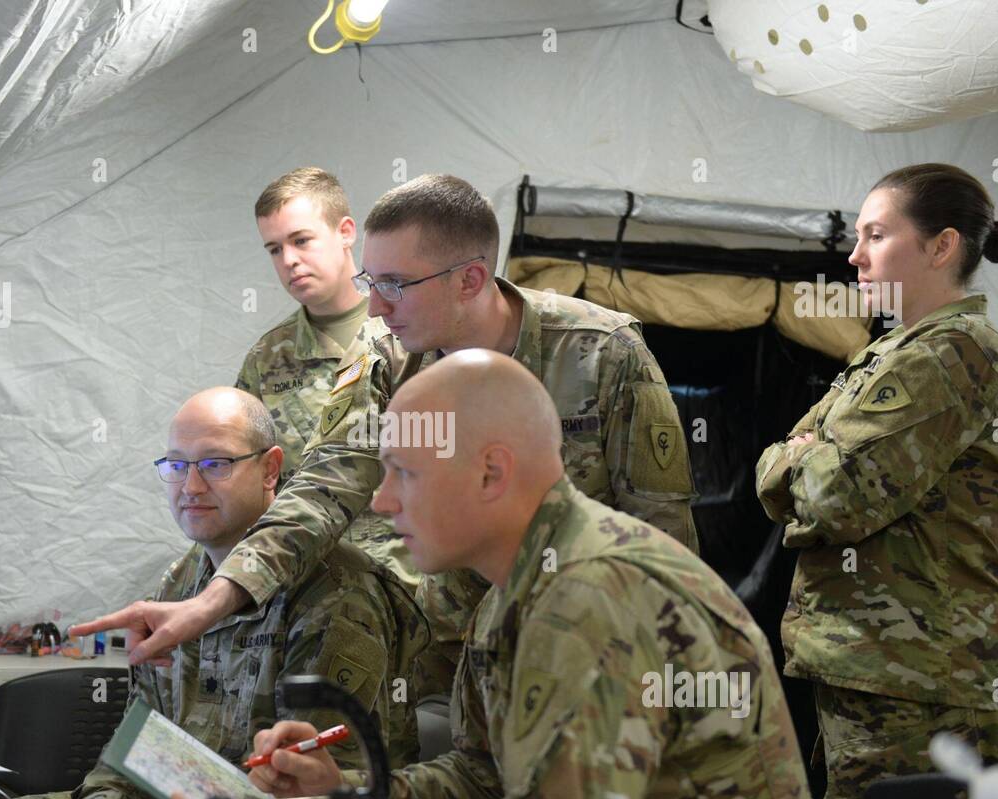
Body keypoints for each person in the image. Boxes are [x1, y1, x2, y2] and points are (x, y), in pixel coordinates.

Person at [75, 174, 698, 703]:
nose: (374, 308)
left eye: (395, 284)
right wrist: (215, 599)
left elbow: (662, 535)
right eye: (372, 281)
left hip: (577, 643)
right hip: (435, 644)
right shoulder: (389, 359)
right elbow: (326, 485)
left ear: (470, 279)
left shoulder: (602, 353)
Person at [248, 352, 814, 799]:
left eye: (403, 472)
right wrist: (345, 797)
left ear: (491, 471)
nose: (382, 501)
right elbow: (484, 777)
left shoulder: (589, 592)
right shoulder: (517, 588)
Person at [0, 388, 425, 799]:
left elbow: (330, 793)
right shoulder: (180, 584)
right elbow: (135, 750)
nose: (191, 486)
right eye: (177, 466)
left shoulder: (336, 592)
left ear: (270, 470)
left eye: (216, 464)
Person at [756, 163, 998, 799]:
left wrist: (796, 467)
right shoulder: (895, 353)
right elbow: (787, 470)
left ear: (941, 246)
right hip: (890, 671)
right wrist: (794, 467)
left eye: (876, 235)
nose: (855, 255)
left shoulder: (950, 354)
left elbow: (835, 495)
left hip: (924, 682)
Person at [236, 167, 417, 589]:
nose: (289, 261)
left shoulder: (412, 332)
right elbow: (245, 477)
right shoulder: (267, 360)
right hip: (314, 586)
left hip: (416, 585)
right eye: (274, 250)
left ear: (346, 232)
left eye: (301, 240)